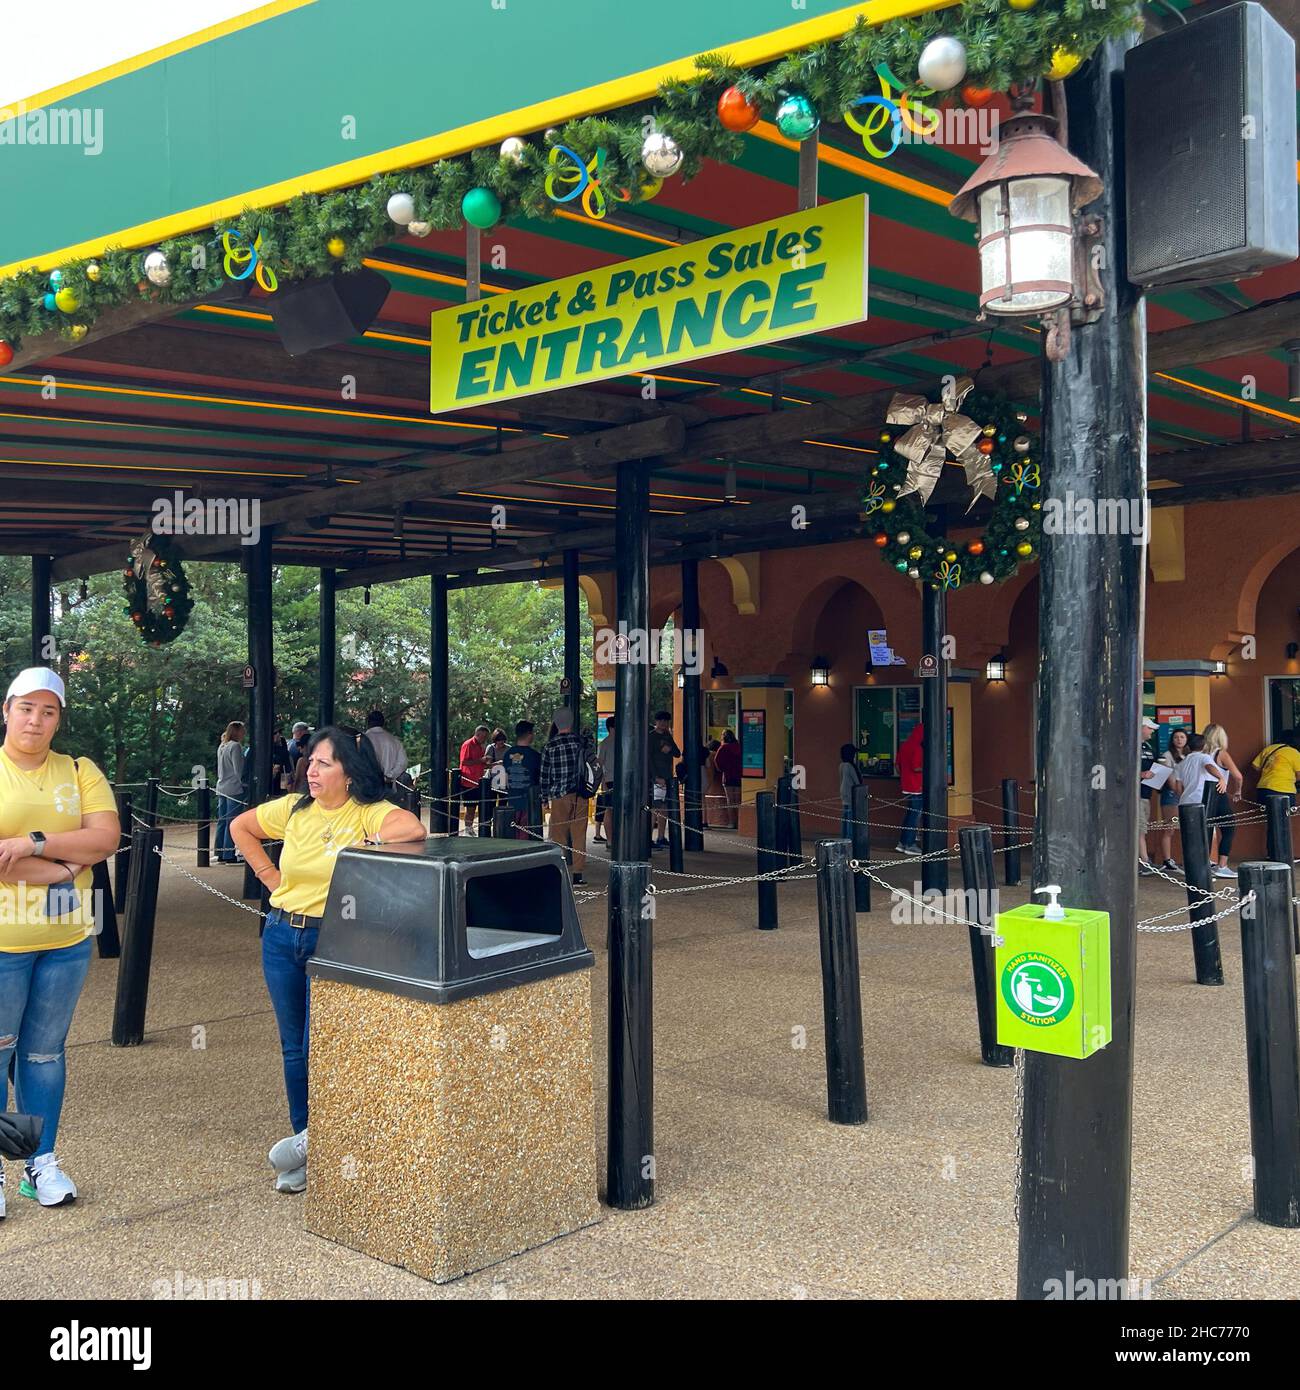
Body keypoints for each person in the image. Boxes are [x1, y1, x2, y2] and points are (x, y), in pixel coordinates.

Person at [230, 727, 426, 1194]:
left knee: (320, 1043)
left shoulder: (365, 811)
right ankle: (307, 1141)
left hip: (334, 938)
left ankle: (321, 1144)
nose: (311, 770)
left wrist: (366, 843)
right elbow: (242, 827)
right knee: (292, 1046)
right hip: (281, 934)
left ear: (349, 773)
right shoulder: (295, 808)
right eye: (311, 761)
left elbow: (412, 828)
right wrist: (270, 878)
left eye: (323, 763)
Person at [0, 667, 120, 1214]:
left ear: (58, 719)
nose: (36, 720)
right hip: (4, 941)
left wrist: (31, 844)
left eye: (48, 711)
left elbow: (106, 837)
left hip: (67, 937)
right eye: (26, 708)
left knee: (45, 1052)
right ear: (7, 710)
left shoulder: (79, 770)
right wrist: (67, 867)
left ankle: (39, 1161)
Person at [541, 707, 591, 885]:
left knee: (559, 835)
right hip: (580, 794)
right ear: (571, 722)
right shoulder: (581, 742)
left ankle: (559, 872)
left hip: (559, 795)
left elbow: (544, 775)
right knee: (579, 835)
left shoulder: (550, 746)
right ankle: (578, 873)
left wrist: (544, 798)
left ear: (555, 723)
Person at [1201, 724, 1243, 879]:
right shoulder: (1221, 754)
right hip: (1218, 794)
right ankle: (1222, 865)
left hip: (1201, 795)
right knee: (1229, 828)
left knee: (1205, 830)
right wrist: (1238, 791)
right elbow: (1238, 776)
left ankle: (1202, 865)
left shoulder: (1199, 753)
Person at [1151, 727, 1189, 871]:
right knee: (1170, 826)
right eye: (1176, 737)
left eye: (1182, 737)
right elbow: (1170, 779)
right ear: (1172, 740)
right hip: (1172, 796)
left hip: (1187, 795)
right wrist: (1180, 791)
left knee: (1186, 828)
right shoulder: (1167, 755)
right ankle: (1167, 859)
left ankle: (1186, 859)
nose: (1179, 740)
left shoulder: (1189, 755)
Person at [648, 712, 681, 850]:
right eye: (660, 720)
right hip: (656, 778)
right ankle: (648, 839)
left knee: (664, 808)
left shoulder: (668, 736)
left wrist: (669, 749)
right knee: (654, 808)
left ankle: (661, 837)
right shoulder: (651, 737)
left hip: (667, 777)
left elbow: (677, 753)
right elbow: (648, 758)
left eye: (666, 721)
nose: (663, 723)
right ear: (656, 721)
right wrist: (655, 776)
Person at [215, 721, 246, 864]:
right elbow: (238, 769)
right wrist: (243, 783)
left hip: (222, 786)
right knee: (231, 821)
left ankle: (220, 852)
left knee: (222, 820)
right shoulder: (235, 746)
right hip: (233, 787)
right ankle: (228, 854)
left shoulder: (222, 745)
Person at [504, 721, 541, 836]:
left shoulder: (507, 754)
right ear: (529, 734)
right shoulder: (535, 756)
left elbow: (506, 777)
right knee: (527, 834)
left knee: (513, 833)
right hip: (530, 803)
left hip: (512, 800)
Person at [896, 721, 924, 855]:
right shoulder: (917, 748)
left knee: (909, 815)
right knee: (915, 816)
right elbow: (916, 767)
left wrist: (905, 776)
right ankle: (909, 844)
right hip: (917, 787)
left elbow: (897, 766)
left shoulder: (904, 745)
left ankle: (902, 843)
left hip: (906, 785)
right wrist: (928, 768)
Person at [362, 710, 409, 785]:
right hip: (387, 785)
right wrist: (389, 776)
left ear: (368, 723)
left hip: (366, 785)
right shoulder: (394, 740)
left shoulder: (362, 740)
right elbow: (403, 762)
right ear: (383, 723)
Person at [458, 725, 490, 832]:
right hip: (468, 781)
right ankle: (468, 828)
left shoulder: (481, 746)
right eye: (483, 736)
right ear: (478, 734)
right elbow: (464, 762)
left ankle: (475, 828)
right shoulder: (468, 744)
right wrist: (480, 760)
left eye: (486, 737)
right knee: (470, 808)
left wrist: (492, 764)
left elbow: (481, 763)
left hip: (478, 781)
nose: (485, 739)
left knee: (479, 807)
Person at [1138, 715, 1159, 875]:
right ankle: (1144, 861)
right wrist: (1141, 774)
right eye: (1149, 728)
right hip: (1136, 794)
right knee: (1139, 829)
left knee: (1143, 827)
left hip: (1146, 793)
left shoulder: (1148, 747)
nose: (1152, 731)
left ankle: (1144, 861)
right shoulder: (1130, 746)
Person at [715, 728, 742, 829]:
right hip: (739, 775)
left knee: (730, 800)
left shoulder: (723, 748)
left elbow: (717, 760)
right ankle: (740, 822)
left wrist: (722, 769)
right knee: (738, 800)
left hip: (728, 776)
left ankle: (732, 822)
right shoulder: (739, 747)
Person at [595, 718, 616, 845]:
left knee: (610, 810)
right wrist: (603, 783)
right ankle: (610, 840)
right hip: (610, 780)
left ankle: (611, 840)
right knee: (609, 810)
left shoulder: (604, 743)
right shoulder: (605, 743)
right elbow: (600, 765)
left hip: (611, 780)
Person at [838, 743, 862, 841]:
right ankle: (849, 839)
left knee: (845, 818)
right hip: (851, 794)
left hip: (844, 793)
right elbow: (857, 782)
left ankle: (844, 838)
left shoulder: (841, 765)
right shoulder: (849, 766)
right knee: (850, 819)